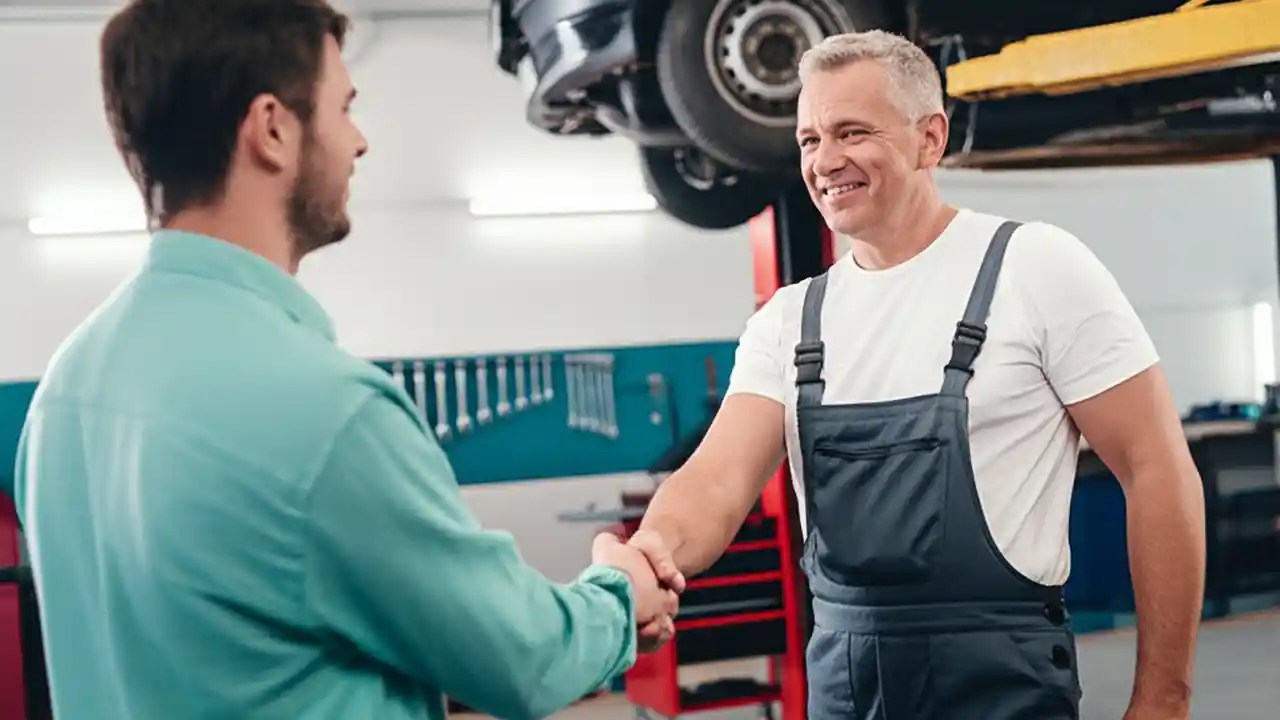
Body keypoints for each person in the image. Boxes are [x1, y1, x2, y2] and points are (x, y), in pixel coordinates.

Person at [13, 1, 678, 719]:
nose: (358, 142)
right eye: (343, 107)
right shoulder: (326, 411)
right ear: (272, 128)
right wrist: (619, 593)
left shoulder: (62, 396)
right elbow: (524, 657)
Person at [626, 30, 1207, 720]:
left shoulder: (1035, 268)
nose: (826, 160)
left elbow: (1157, 468)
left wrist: (1164, 699)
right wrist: (652, 550)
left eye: (851, 132)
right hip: (846, 687)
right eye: (810, 140)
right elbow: (715, 482)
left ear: (929, 138)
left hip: (1001, 684)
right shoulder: (790, 320)